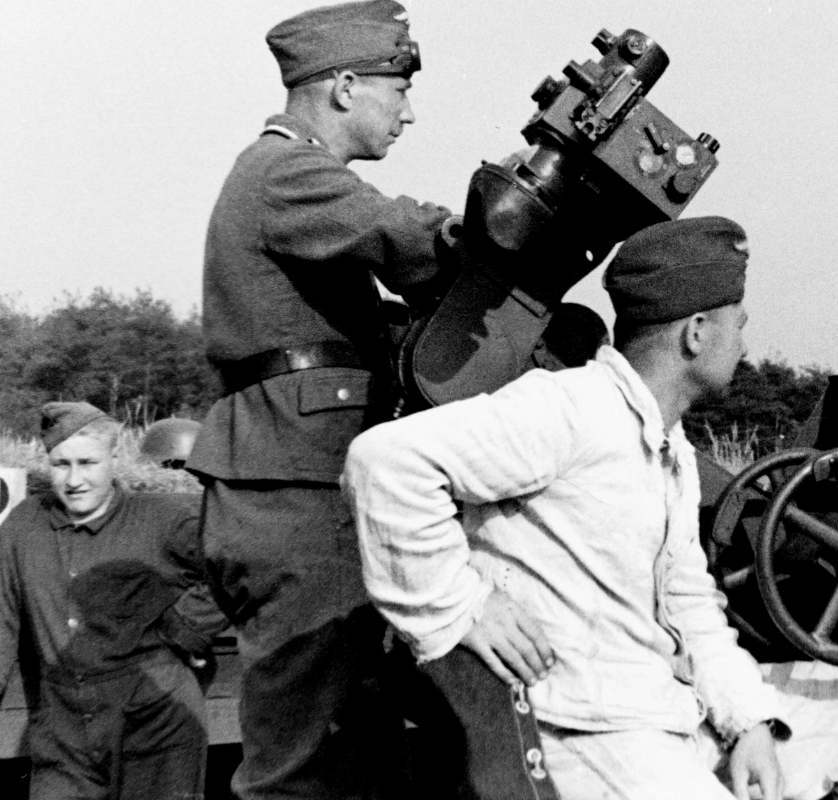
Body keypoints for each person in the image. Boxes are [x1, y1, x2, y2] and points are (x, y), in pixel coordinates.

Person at [343, 216, 838, 800]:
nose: (744, 344)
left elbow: (686, 600)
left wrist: (749, 723)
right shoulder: (573, 410)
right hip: (587, 735)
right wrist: (459, 609)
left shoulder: (664, 440)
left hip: (655, 711)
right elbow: (384, 462)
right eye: (739, 325)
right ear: (697, 333)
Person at [184, 2, 454, 797]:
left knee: (348, 754)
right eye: (396, 87)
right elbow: (405, 239)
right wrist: (482, 227)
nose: (408, 110)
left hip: (293, 486)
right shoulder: (290, 173)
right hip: (295, 498)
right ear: (342, 86)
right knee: (300, 768)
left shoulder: (287, 179)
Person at [0, 401, 228, 800]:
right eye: (60, 464)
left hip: (155, 729)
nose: (73, 480)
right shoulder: (23, 525)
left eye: (87, 462)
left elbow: (238, 562)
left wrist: (185, 628)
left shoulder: (164, 519)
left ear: (114, 457)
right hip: (63, 737)